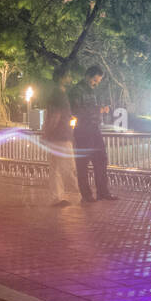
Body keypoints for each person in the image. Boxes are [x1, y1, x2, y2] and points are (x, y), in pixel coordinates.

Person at [68, 66, 116, 203]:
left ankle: (103, 192)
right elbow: (76, 110)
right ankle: (86, 195)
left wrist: (100, 110)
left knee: (101, 160)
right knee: (82, 164)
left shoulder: (92, 91)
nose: (96, 83)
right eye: (95, 80)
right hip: (83, 130)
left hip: (94, 129)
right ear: (88, 75)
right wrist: (99, 110)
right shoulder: (76, 90)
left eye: (98, 81)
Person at [41, 71, 80, 208]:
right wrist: (47, 133)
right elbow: (55, 116)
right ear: (61, 78)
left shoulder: (56, 94)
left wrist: (47, 133)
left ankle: (57, 197)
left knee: (56, 167)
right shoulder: (59, 95)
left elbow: (53, 115)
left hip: (57, 135)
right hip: (61, 136)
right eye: (68, 75)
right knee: (70, 167)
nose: (70, 78)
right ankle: (80, 194)